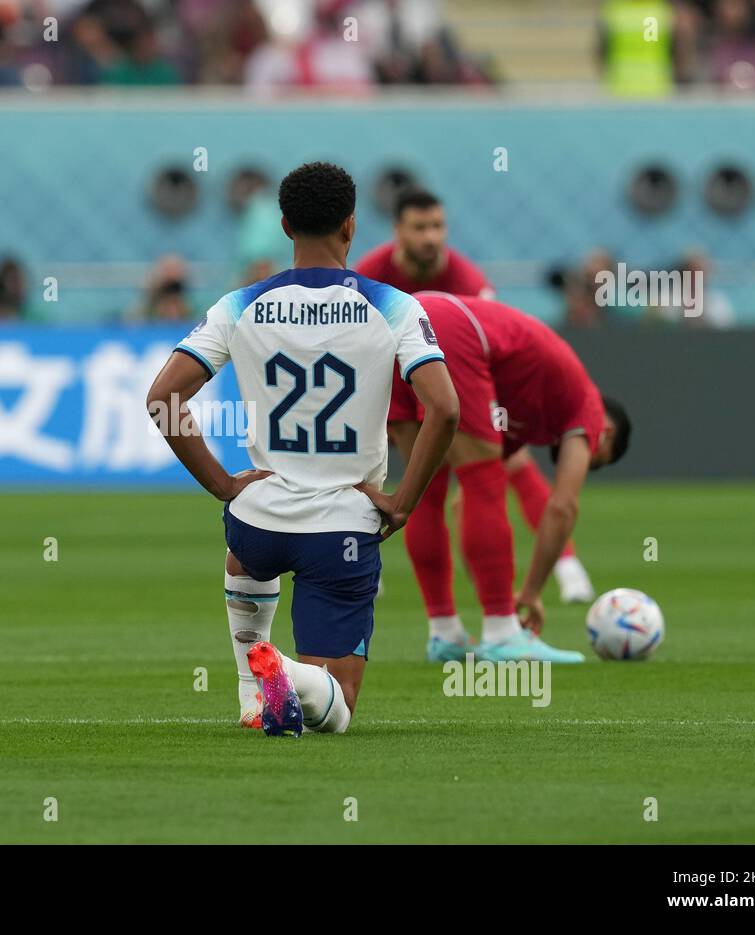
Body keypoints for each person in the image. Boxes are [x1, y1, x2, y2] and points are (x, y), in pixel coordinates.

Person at [146, 162, 458, 735]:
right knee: (333, 715)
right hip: (341, 526)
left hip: (258, 522)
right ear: (351, 225)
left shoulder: (239, 304)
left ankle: (251, 684)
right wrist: (404, 500)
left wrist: (222, 485)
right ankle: (284, 671)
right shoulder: (394, 306)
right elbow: (445, 408)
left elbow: (163, 397)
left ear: (286, 226)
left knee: (244, 550)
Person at [359, 188, 596, 604]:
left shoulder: (467, 279)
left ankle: (567, 561)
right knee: (397, 473)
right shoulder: (370, 274)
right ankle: (361, 563)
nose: (431, 238)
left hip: (455, 373)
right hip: (390, 376)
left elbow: (487, 340)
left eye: (438, 226)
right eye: (420, 228)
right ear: (398, 231)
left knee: (508, 459)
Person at [388, 292, 632, 663]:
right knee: (483, 481)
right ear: (607, 433)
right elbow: (562, 509)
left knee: (426, 489)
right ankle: (502, 633)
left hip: (403, 321)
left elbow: (462, 506)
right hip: (451, 328)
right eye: (595, 460)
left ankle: (445, 633)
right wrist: (530, 593)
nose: (585, 463)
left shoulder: (525, 410)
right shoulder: (588, 407)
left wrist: (490, 583)